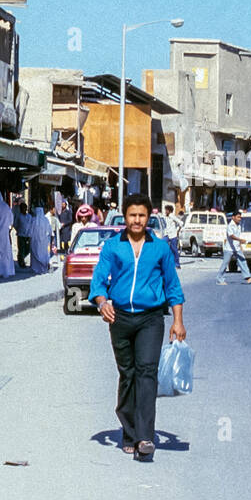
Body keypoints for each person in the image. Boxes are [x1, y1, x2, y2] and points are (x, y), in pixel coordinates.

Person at [89, 193, 186, 462]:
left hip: (150, 319)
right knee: (128, 374)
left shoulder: (160, 248)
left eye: (142, 215)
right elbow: (99, 279)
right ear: (125, 216)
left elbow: (173, 286)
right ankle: (128, 431)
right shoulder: (112, 246)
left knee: (146, 373)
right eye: (132, 215)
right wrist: (101, 302)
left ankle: (144, 437)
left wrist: (178, 320)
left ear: (148, 217)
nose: (137, 220)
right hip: (119, 318)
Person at [216, 210, 251, 285]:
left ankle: (248, 278)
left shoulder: (239, 226)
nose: (239, 219)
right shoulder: (230, 226)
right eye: (238, 217)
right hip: (229, 248)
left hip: (237, 248)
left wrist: (240, 245)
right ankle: (219, 279)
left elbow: (238, 236)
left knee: (242, 261)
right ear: (233, 217)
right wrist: (240, 240)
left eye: (240, 217)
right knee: (225, 263)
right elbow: (231, 236)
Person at [28, 206, 53, 274]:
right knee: (44, 253)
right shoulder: (46, 220)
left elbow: (30, 231)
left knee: (35, 252)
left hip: (35, 241)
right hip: (44, 242)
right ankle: (44, 266)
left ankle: (35, 268)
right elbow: (50, 231)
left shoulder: (33, 220)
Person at [13, 201, 33, 268]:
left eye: (25, 208)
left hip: (28, 235)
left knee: (27, 249)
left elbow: (31, 225)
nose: (24, 209)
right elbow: (15, 224)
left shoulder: (29, 216)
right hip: (21, 235)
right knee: (21, 249)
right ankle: (21, 262)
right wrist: (18, 230)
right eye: (23, 208)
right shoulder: (19, 216)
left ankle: (21, 258)